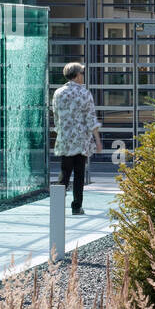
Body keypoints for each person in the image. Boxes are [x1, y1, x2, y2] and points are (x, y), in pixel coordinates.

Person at [51, 62, 102, 216]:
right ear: (77, 75)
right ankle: (76, 206)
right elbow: (91, 118)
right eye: (82, 73)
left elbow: (56, 116)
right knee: (79, 174)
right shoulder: (84, 93)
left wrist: (60, 132)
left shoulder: (58, 93)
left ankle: (58, 207)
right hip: (81, 140)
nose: (83, 76)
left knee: (64, 173)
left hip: (65, 139)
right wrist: (97, 140)